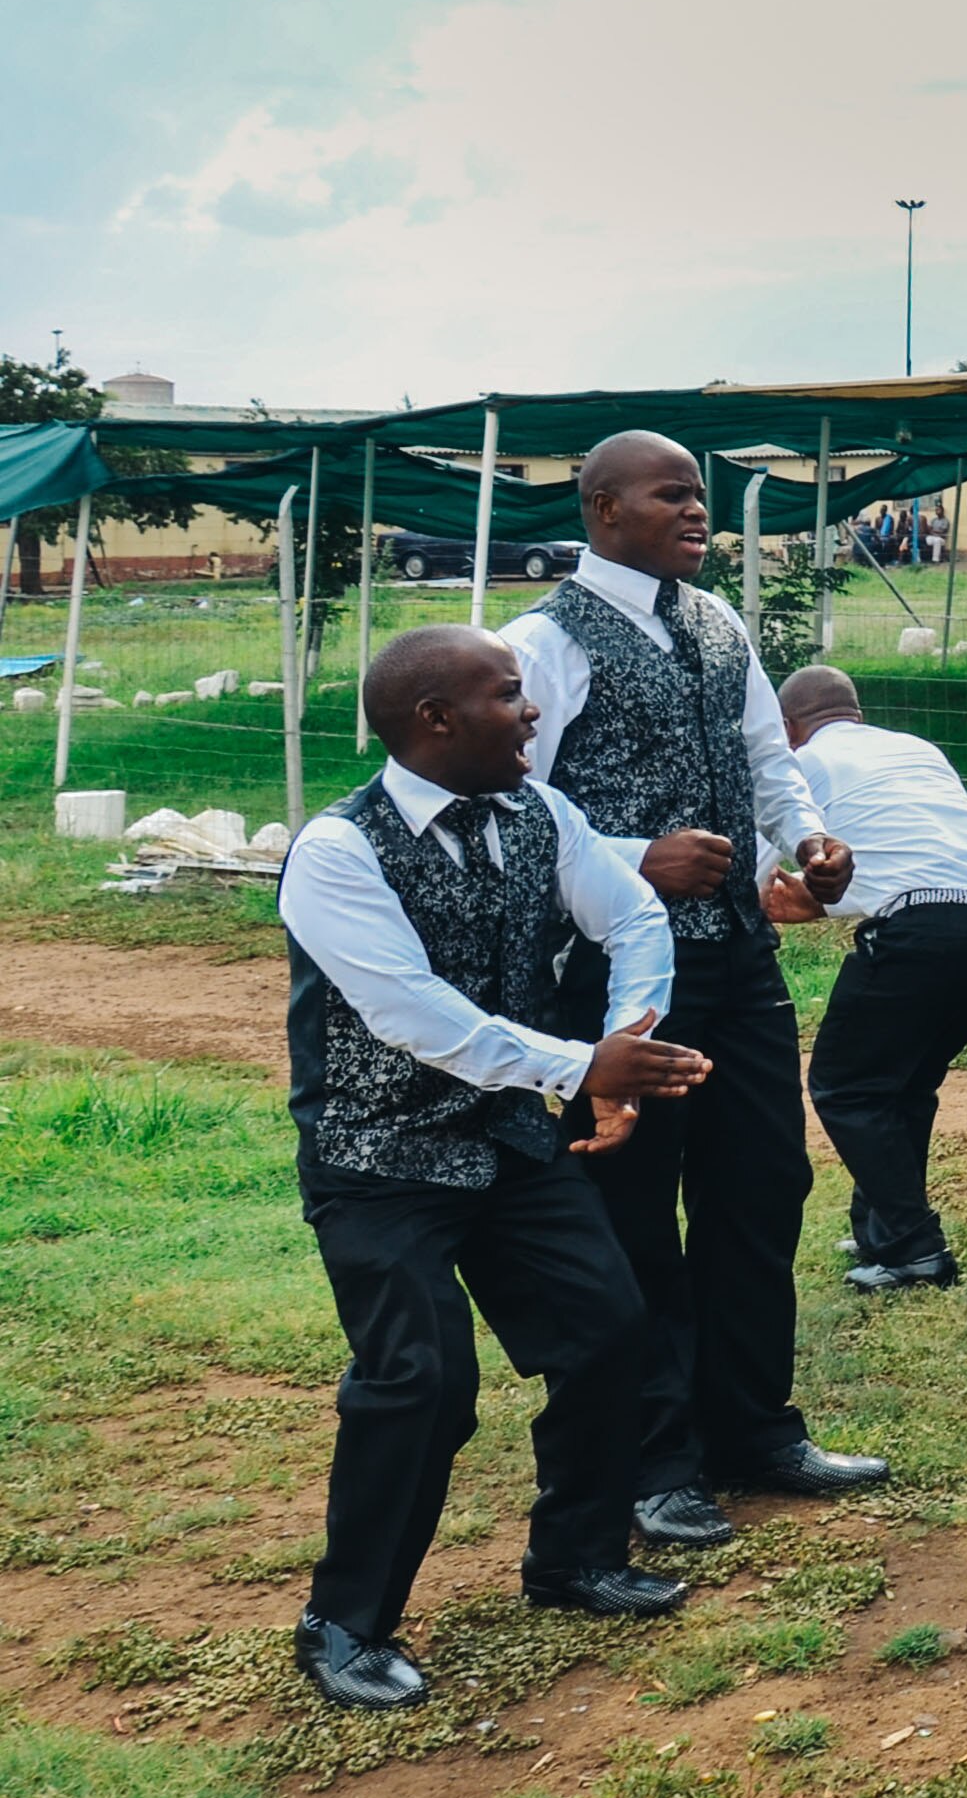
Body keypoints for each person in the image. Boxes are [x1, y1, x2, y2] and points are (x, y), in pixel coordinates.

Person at [279, 627, 716, 1709]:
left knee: (612, 1333)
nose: (531, 714)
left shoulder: (546, 816)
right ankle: (344, 1621)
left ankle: (572, 1559)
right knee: (420, 1383)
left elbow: (634, 916)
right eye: (509, 695)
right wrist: (582, 1065)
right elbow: (410, 1012)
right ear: (435, 720)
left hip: (510, 1143)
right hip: (380, 1159)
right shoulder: (336, 851)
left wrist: (621, 1051)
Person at [505, 432, 881, 1556]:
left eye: (700, 497)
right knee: (634, 1211)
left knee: (762, 1182)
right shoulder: (540, 642)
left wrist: (809, 839)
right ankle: (652, 1461)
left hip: (736, 954)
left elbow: (771, 760)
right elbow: (513, 813)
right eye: (672, 495)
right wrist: (634, 857)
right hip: (618, 970)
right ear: (603, 508)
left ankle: (754, 1429)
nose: (696, 513)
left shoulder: (720, 625)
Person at [775, 666, 967, 1293]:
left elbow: (768, 872)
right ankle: (885, 1228)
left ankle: (912, 1249)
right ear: (856, 713)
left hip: (929, 930)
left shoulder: (802, 766)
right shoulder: (915, 747)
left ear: (789, 729)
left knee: (846, 1085)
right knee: (903, 1082)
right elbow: (918, 843)